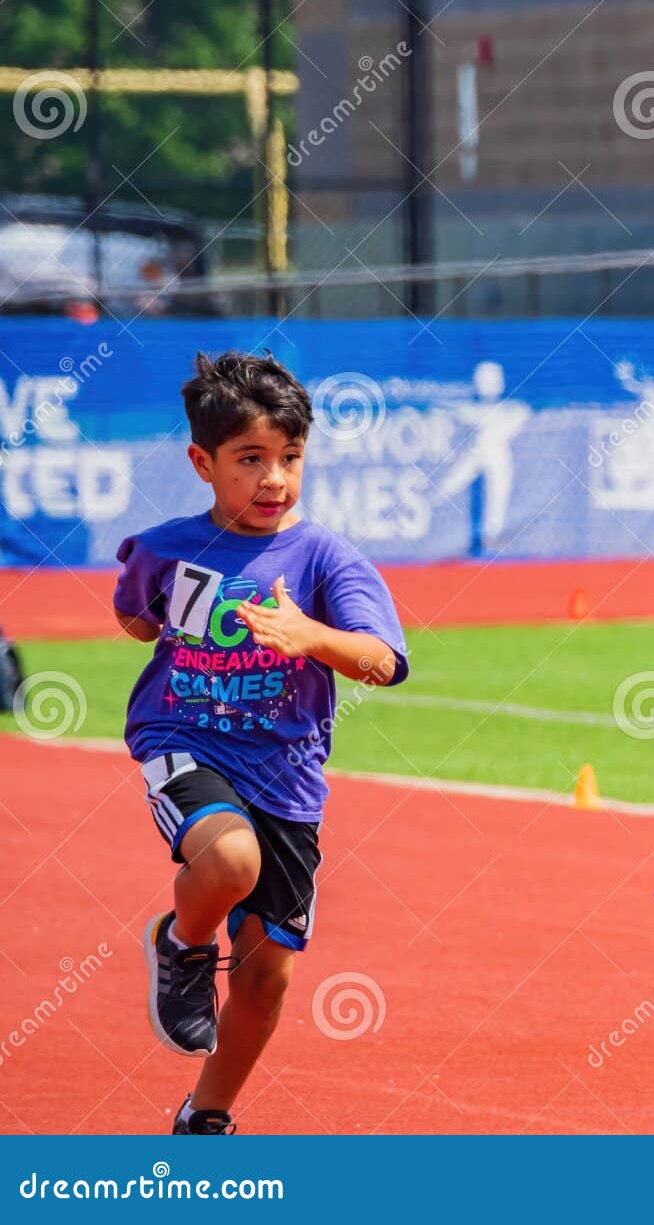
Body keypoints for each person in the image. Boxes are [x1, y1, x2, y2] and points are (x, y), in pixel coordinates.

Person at [114, 351, 408, 1134]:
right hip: (185, 743)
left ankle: (205, 1118)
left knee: (265, 980)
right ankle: (180, 944)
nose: (274, 478)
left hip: (288, 780)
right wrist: (159, 633)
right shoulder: (167, 547)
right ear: (202, 463)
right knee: (229, 858)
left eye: (290, 457)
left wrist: (307, 634)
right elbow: (135, 613)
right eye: (251, 460)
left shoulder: (324, 558)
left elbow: (382, 660)